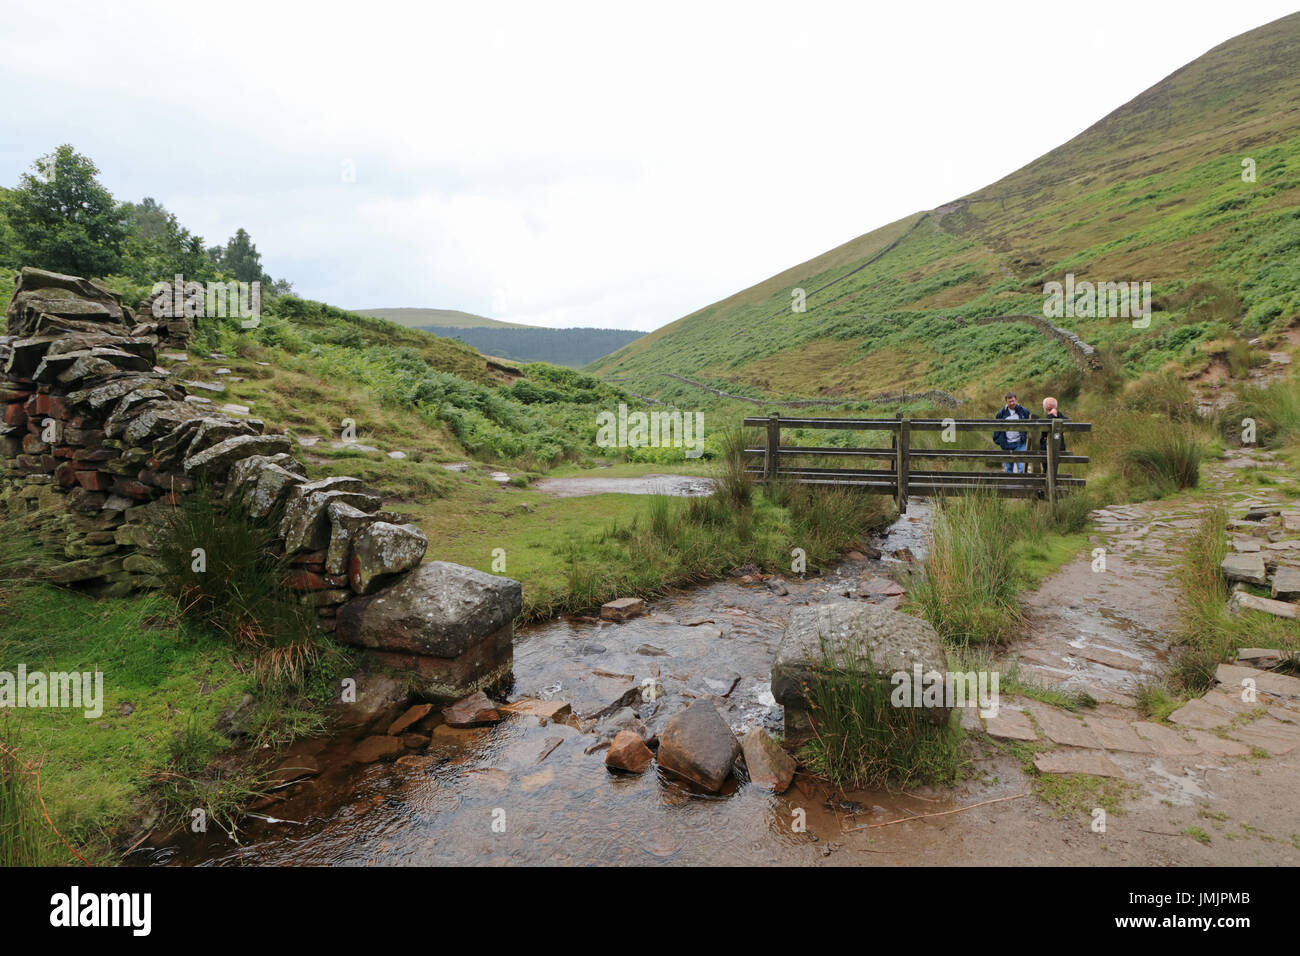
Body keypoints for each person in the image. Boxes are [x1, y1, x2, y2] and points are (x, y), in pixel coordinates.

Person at [993, 391, 1031, 474]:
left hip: (1020, 442)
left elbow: (1029, 425)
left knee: (1021, 467)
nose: (1012, 403)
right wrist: (999, 441)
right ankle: (1009, 484)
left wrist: (1026, 437)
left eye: (1013, 401)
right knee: (1008, 468)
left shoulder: (1023, 411)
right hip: (1007, 444)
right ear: (1006, 402)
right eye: (1010, 401)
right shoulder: (1001, 413)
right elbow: (997, 428)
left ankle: (1022, 485)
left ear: (1016, 400)